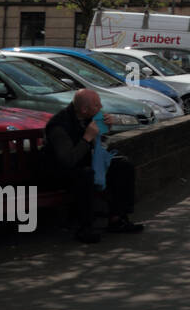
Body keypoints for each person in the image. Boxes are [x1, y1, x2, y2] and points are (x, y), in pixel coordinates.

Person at [45, 89, 143, 243]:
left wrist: (106, 129)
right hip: (58, 173)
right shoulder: (59, 125)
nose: (101, 107)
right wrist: (87, 138)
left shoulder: (86, 118)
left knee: (123, 166)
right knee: (85, 175)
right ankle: (85, 227)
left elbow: (99, 146)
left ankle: (117, 218)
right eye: (97, 105)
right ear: (84, 109)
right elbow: (68, 160)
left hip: (85, 165)